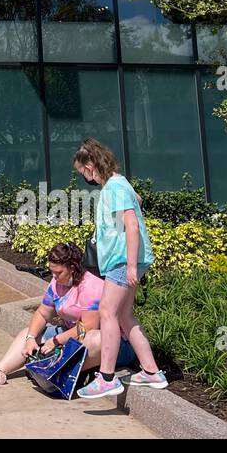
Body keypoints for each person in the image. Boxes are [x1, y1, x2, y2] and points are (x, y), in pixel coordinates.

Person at [71, 137, 168, 398]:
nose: (85, 178)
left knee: (107, 312)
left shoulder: (113, 188)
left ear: (91, 165)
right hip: (125, 259)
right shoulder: (119, 184)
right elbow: (137, 199)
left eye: (83, 172)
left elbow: (132, 225)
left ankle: (106, 378)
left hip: (122, 260)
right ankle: (151, 372)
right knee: (124, 316)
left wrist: (132, 267)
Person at [0, 242, 136, 386]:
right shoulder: (56, 283)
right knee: (29, 332)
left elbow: (88, 327)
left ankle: (54, 374)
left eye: (58, 272)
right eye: (52, 271)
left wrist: (56, 341)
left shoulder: (91, 286)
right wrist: (31, 338)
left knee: (96, 338)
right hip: (72, 335)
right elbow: (42, 313)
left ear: (73, 268)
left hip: (113, 346)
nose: (54, 276)